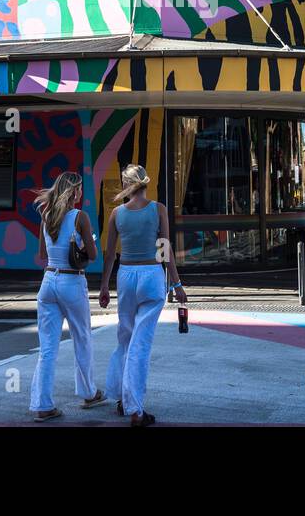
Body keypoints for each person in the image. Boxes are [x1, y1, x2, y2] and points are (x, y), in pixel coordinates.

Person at [98, 165, 186, 427]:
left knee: (125, 338)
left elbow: (110, 253)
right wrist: (177, 284)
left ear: (126, 185)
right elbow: (164, 250)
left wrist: (104, 286)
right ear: (146, 183)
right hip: (151, 275)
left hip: (125, 275)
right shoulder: (158, 210)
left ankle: (122, 398)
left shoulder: (117, 214)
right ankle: (135, 410)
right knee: (141, 344)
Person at [30, 171, 105, 422]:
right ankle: (88, 393)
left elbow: (42, 253)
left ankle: (42, 405)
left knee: (47, 348)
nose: (81, 193)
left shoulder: (46, 214)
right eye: (79, 189)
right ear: (74, 191)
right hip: (72, 281)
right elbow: (93, 255)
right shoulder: (79, 217)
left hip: (48, 280)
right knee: (82, 338)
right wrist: (84, 244)